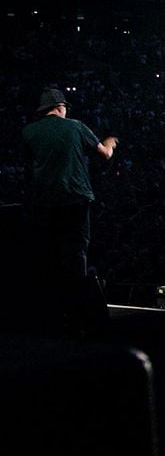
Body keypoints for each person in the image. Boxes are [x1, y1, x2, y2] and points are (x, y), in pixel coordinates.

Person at [19, 86, 118, 336]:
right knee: (76, 252)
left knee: (48, 252)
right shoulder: (75, 126)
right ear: (61, 108)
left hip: (43, 201)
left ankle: (49, 311)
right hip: (74, 197)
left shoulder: (29, 132)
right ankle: (78, 312)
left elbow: (28, 168)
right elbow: (104, 155)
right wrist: (109, 143)